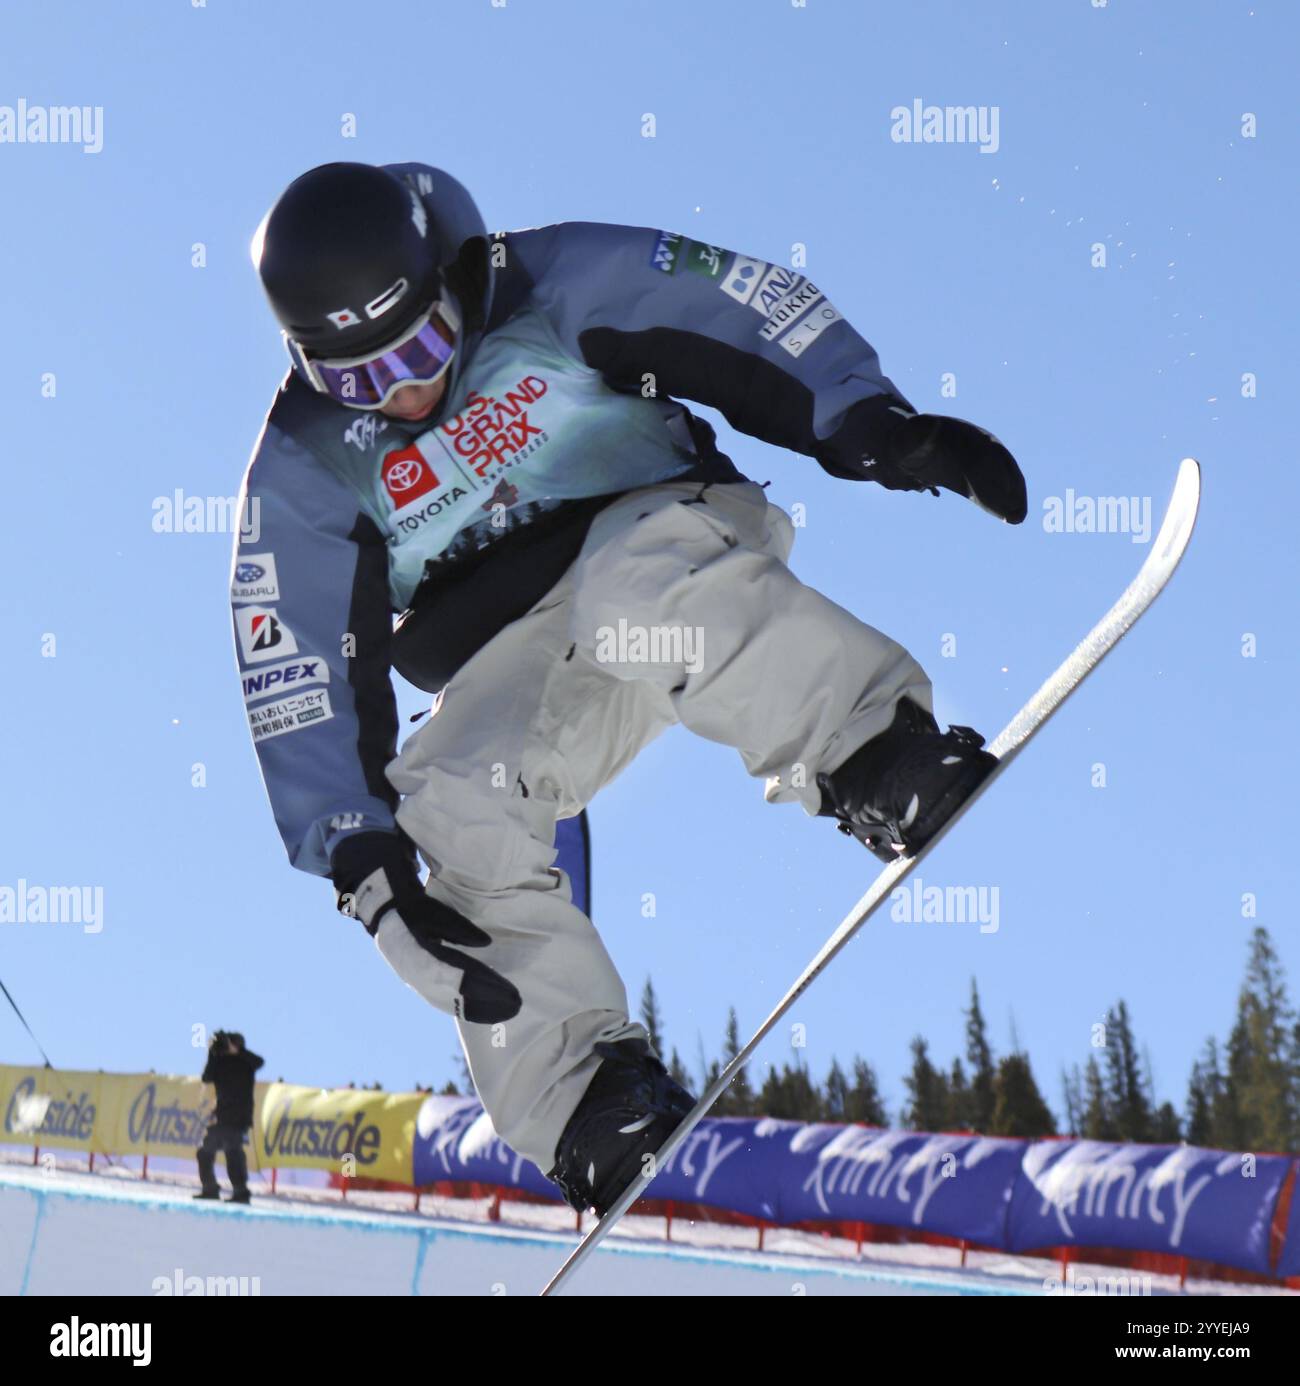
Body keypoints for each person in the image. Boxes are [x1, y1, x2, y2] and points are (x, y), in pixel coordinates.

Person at [234, 161, 1025, 1216]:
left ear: (448, 282)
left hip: (670, 542)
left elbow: (728, 300)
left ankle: (873, 750)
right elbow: (289, 663)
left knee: (629, 593)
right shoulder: (304, 463)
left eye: (421, 350)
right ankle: (587, 1101)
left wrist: (867, 419)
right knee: (448, 792)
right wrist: (364, 865)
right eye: (359, 380)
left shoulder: (548, 281)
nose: (404, 393)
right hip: (528, 653)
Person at [195, 1030, 263, 1203]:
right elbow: (206, 1077)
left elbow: (259, 1062)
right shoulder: (220, 1062)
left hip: (239, 1117)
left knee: (233, 1153)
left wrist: (238, 1052)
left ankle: (241, 1192)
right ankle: (210, 1188)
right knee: (205, 1152)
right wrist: (212, 1053)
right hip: (222, 1116)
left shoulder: (245, 1063)